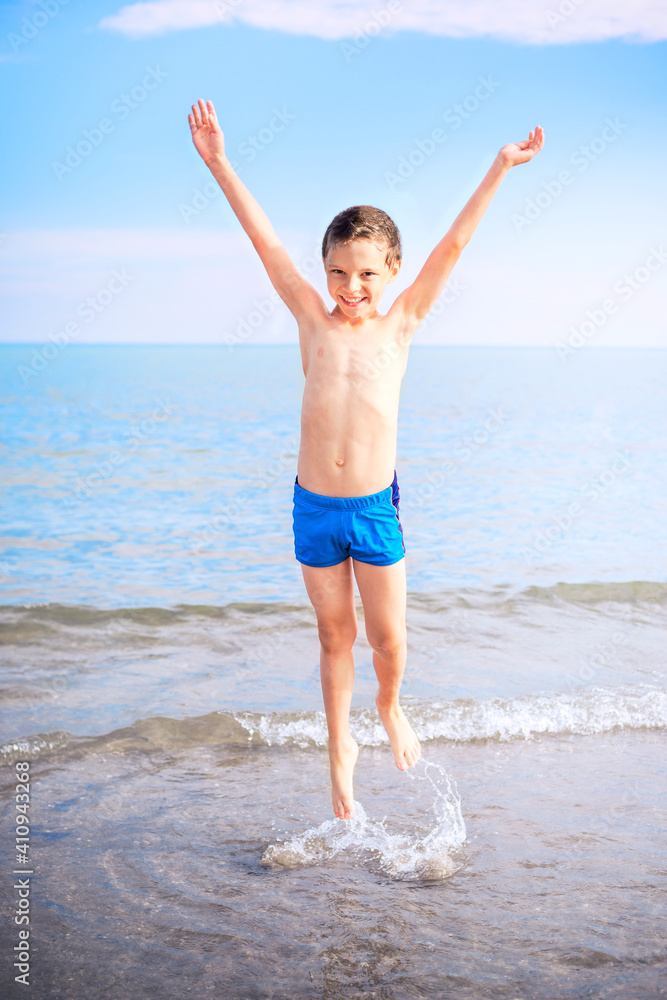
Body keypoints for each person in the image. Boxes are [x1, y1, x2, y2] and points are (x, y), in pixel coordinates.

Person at [189, 98, 544, 820]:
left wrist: (499, 167)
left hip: (375, 509)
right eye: (338, 273)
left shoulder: (403, 323)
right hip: (313, 506)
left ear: (391, 273)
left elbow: (454, 245)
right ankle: (338, 756)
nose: (350, 289)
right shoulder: (308, 320)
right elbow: (265, 246)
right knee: (332, 637)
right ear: (324, 270)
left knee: (388, 641)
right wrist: (221, 163)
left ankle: (387, 707)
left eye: (366, 275)